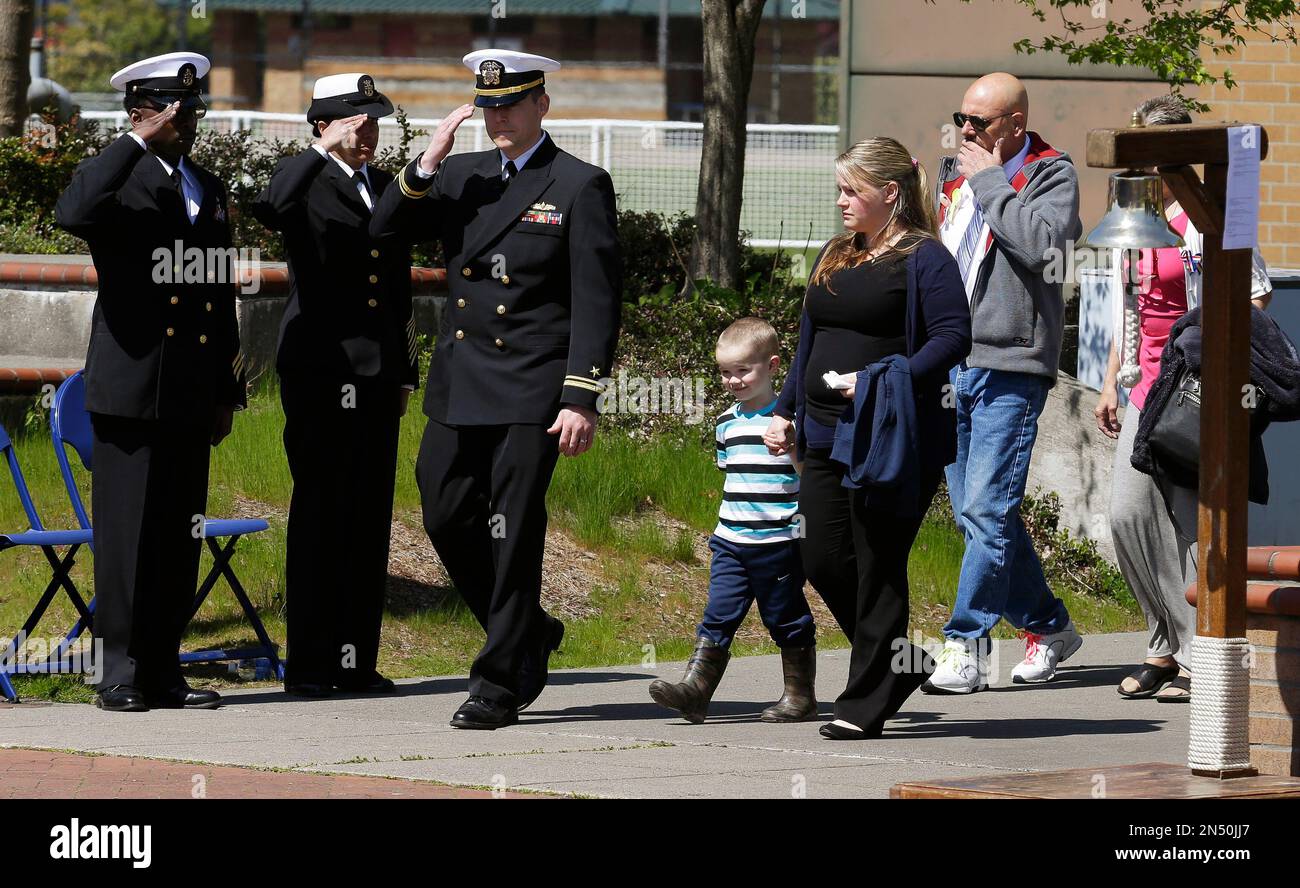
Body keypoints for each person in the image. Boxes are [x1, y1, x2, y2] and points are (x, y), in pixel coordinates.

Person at [369, 50, 621, 729]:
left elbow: (596, 302)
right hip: (462, 382)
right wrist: (425, 163)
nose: (498, 115)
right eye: (488, 105)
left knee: (513, 530)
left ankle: (500, 679)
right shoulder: (460, 174)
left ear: (542, 104)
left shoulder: (577, 183)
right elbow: (384, 228)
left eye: (510, 102)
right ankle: (530, 631)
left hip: (533, 388)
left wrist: (581, 396)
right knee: (444, 511)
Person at [54, 52, 246, 712]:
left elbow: (220, 296)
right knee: (128, 540)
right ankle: (116, 676)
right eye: (174, 112)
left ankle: (164, 671)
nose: (187, 123)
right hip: (131, 387)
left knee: (176, 534)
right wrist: (131, 141)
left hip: (192, 391)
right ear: (142, 113)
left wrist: (229, 389)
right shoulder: (117, 181)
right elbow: (72, 210)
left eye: (192, 112)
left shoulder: (208, 187)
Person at [764, 137, 971, 739]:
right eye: (840, 189)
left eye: (852, 190)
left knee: (878, 562)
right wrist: (785, 409)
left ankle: (863, 702)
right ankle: (898, 664)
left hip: (888, 434)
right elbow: (809, 337)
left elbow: (954, 336)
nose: (841, 201)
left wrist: (890, 376)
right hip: (825, 433)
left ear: (891, 193)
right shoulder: (837, 252)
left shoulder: (925, 257)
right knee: (821, 556)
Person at [1096, 95, 1273, 703]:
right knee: (1126, 515)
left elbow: (1255, 294)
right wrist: (1111, 373)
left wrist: (1208, 350)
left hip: (1193, 391)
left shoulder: (1209, 212)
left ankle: (1192, 653)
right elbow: (1126, 301)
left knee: (1190, 524)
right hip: (1143, 386)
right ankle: (1169, 641)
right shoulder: (1132, 209)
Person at [251, 74, 419, 697]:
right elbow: (271, 205)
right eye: (357, 122)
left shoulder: (382, 185)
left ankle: (355, 661)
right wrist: (323, 149)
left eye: (375, 122)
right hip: (322, 368)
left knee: (369, 513)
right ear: (324, 124)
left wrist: (405, 368)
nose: (370, 133)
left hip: (376, 371)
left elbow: (395, 285)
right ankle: (313, 662)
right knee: (322, 508)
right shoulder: (307, 178)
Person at [923, 72, 1083, 694]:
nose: (965, 132)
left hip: (1011, 362)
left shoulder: (1051, 173)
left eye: (978, 123)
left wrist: (990, 178)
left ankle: (966, 645)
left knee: (989, 509)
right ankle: (1050, 625)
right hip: (953, 360)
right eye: (960, 118)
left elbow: (1047, 250)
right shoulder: (953, 171)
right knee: (974, 516)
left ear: (1014, 124)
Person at [649, 318, 816, 724]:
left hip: (778, 541)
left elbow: (808, 476)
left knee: (784, 616)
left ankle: (800, 696)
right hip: (730, 540)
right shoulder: (725, 422)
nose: (733, 380)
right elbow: (730, 473)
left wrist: (793, 449)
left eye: (744, 370)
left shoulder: (791, 421)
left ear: (773, 366)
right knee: (718, 613)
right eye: (725, 372)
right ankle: (695, 691)